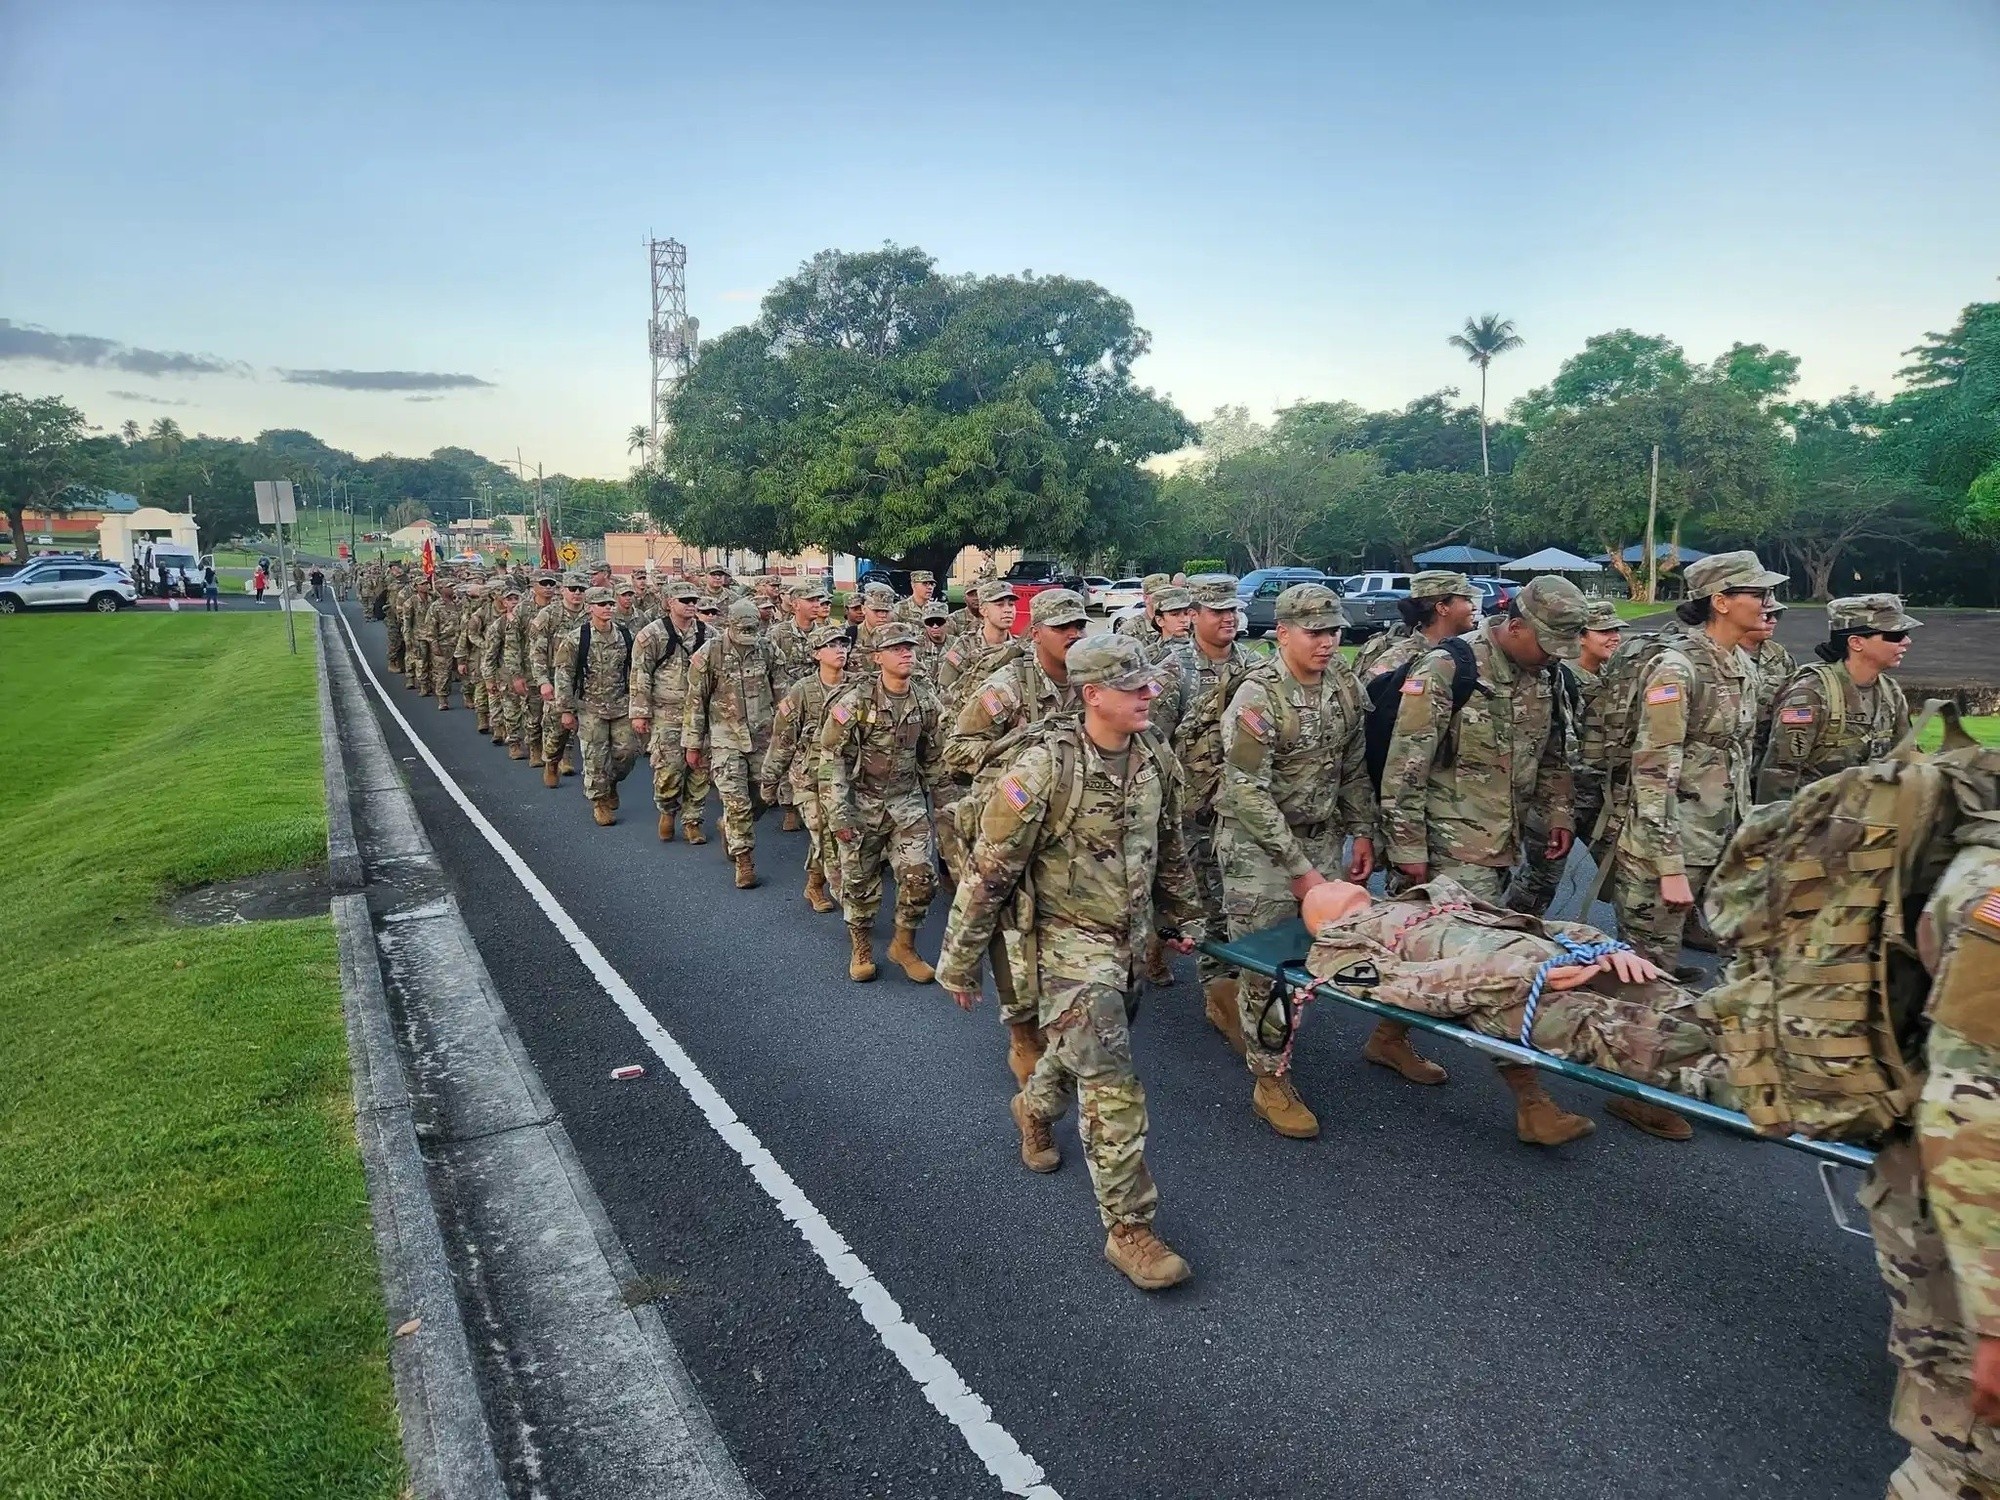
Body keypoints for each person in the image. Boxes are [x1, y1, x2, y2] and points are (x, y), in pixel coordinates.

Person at [936, 633, 1204, 1292]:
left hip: (1128, 941)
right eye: (1133, 686)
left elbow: (1168, 847)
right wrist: (960, 960)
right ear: (1092, 695)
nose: (1149, 693)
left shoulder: (1154, 758)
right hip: (1064, 948)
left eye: (1148, 683)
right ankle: (1130, 1230)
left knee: (1082, 1051)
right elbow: (989, 871)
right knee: (1111, 1079)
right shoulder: (1043, 769)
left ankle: (1034, 1105)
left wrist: (1183, 918)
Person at [1299, 877, 1734, 1145]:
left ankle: (1766, 1043)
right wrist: (1525, 973)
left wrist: (1599, 944)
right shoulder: (1336, 947)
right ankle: (1764, 1087)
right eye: (1322, 889)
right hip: (1507, 994)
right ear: (1320, 920)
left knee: (1671, 997)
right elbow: (1408, 987)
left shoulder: (1421, 898)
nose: (1326, 879)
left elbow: (1519, 919)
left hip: (1556, 958)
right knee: (1635, 1036)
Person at [1216, 582, 1389, 1138]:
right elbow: (1246, 791)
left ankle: (1276, 1047)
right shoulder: (1258, 697)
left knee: (1309, 957)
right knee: (1270, 966)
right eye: (1315, 632)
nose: (1328, 642)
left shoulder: (1343, 683)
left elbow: (1354, 768)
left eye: (1335, 631)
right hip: (1258, 848)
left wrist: (1362, 834)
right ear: (1282, 633)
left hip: (1321, 838)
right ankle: (1270, 1081)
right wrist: (1302, 874)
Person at [1605, 551, 1782, 974]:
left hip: (1719, 841)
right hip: (1670, 848)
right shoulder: (1677, 669)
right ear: (1721, 601)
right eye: (1757, 593)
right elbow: (1652, 774)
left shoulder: (1739, 663)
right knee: (1646, 976)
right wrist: (1669, 868)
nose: (1768, 602)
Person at [944, 587, 1089, 1086]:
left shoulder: (1092, 683)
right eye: (1062, 627)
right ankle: (1023, 1040)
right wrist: (1022, 747)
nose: (1073, 635)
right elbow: (957, 751)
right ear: (1036, 631)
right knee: (1015, 933)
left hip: (1073, 834)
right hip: (1013, 828)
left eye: (1079, 626)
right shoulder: (1006, 686)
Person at [1381, 575, 1585, 904]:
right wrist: (1406, 848)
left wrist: (1558, 813)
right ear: (1515, 626)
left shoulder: (1548, 674)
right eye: (1547, 645)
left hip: (1504, 842)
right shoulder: (1447, 668)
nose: (1554, 656)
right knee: (1452, 944)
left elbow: (1551, 753)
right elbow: (1405, 767)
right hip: (1449, 850)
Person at [1160, 574, 1264, 1053]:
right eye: (1216, 610)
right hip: (1194, 813)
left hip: (1246, 812)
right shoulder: (1172, 670)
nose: (1227, 618)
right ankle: (1219, 993)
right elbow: (1150, 744)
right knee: (1208, 905)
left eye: (1232, 610)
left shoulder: (1257, 667)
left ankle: (1245, 988)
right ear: (1193, 615)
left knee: (1245, 904)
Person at [818, 621, 948, 982]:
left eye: (910, 647)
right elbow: (832, 758)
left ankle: (903, 944)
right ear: (877, 658)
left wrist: (947, 808)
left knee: (922, 876)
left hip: (907, 802)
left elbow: (936, 757)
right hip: (861, 803)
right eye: (896, 648)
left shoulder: (925, 700)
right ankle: (861, 946)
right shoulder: (855, 701)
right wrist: (839, 814)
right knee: (858, 882)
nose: (906, 653)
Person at [1506, 597, 1624, 916]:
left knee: (1628, 871)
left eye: (1617, 630)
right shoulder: (1560, 676)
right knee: (1543, 877)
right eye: (1604, 631)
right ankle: (1513, 928)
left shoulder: (1612, 677)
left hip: (1599, 794)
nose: (1614, 636)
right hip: (1561, 793)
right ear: (1581, 636)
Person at [1754, 593, 1919, 803]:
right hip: (1812, 820)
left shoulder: (1890, 692)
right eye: (1895, 636)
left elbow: (1906, 757)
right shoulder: (1811, 694)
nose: (1906, 642)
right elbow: (1780, 774)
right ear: (1856, 642)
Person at [683, 598, 781, 889]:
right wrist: (693, 744)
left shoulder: (767, 650)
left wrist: (789, 736)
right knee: (736, 802)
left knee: (765, 796)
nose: (749, 636)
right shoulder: (710, 653)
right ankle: (744, 862)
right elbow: (695, 702)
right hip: (725, 738)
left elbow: (783, 694)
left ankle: (730, 827)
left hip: (763, 737)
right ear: (730, 625)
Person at [762, 624, 851, 913]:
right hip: (808, 776)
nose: (840, 650)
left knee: (830, 834)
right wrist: (770, 778)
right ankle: (851, 904)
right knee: (822, 831)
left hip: (842, 777)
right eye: (831, 644)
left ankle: (813, 881)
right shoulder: (801, 691)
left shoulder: (857, 687)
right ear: (816, 653)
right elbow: (783, 739)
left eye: (843, 644)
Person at [629, 580, 712, 842]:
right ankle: (667, 809)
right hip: (666, 712)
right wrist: (640, 712)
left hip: (700, 713)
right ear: (669, 603)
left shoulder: (709, 635)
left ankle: (693, 820)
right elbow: (640, 674)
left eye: (694, 601)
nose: (691, 605)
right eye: (684, 600)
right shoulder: (651, 635)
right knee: (669, 768)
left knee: (700, 767)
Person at [553, 587, 641, 826]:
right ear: (590, 607)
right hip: (590, 707)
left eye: (610, 604)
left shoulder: (625, 635)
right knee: (594, 758)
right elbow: (564, 675)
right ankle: (600, 801)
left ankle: (611, 782)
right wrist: (566, 710)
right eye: (602, 604)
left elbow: (636, 670)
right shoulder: (576, 638)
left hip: (621, 705)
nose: (608, 608)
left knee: (627, 754)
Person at [1354, 571, 1481, 682]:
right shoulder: (1397, 659)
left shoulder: (1475, 651)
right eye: (1467, 600)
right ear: (1442, 608)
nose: (1474, 607)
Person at [534, 573, 590, 782]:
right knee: (557, 730)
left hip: (586, 681)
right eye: (573, 588)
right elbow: (537, 651)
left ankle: (591, 777)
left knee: (590, 731)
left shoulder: (591, 614)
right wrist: (543, 681)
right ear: (562, 590)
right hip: (557, 679)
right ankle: (552, 761)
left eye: (581, 589)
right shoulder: (549, 615)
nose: (577, 593)